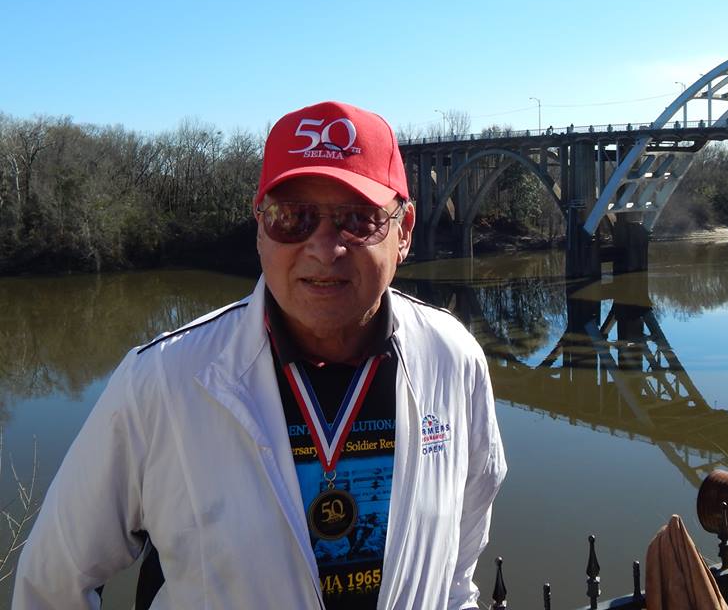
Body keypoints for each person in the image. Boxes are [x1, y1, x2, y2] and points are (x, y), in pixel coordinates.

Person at [13, 101, 507, 610]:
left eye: (357, 220)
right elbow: (53, 585)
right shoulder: (161, 381)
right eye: (292, 218)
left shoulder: (454, 360)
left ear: (403, 233)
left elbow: (457, 568)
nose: (323, 247)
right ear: (259, 229)